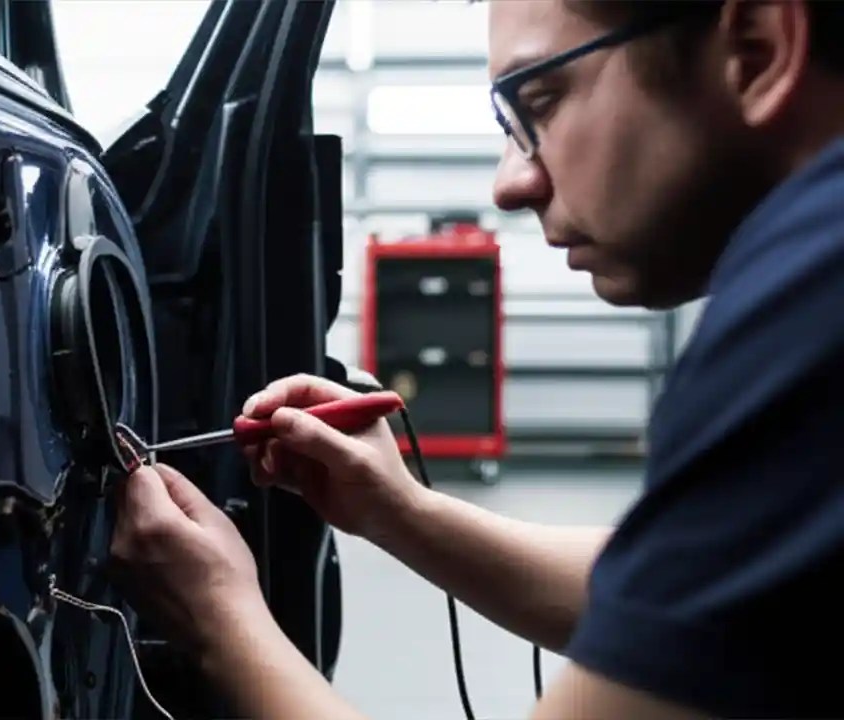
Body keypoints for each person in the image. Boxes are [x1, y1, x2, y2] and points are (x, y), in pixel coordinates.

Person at [109, 0, 844, 717]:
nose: (509, 183)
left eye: (542, 101)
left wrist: (218, 622)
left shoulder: (813, 307)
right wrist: (401, 512)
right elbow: (698, 589)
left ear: (757, 45)